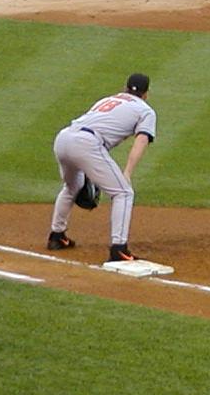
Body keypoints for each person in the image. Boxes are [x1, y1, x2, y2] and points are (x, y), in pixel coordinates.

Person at [47, 72, 156, 264]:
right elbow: (142, 140)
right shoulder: (145, 110)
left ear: (125, 88)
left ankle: (57, 236)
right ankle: (119, 249)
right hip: (87, 143)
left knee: (72, 186)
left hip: (63, 137)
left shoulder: (108, 99)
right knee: (123, 192)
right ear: (146, 93)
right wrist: (128, 172)